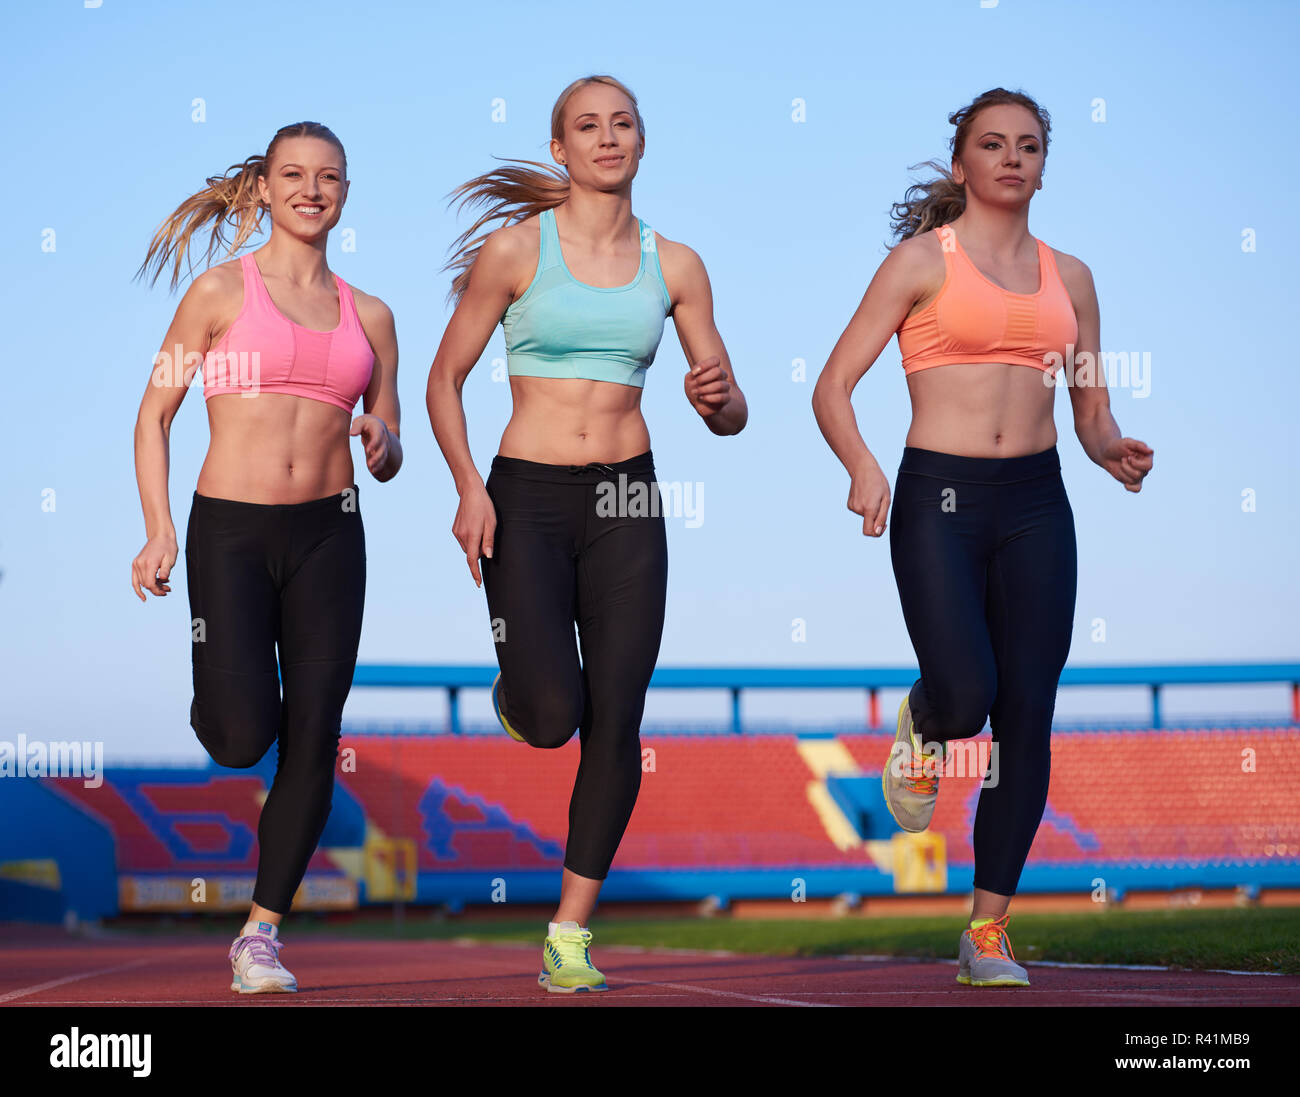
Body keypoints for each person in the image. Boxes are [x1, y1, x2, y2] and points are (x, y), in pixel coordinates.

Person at [812, 88, 1153, 987]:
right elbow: (833, 386)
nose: (1012, 158)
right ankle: (925, 721)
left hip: (1040, 501)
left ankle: (987, 931)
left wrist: (1113, 448)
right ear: (961, 164)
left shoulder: (1071, 277)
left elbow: (1090, 408)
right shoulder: (922, 261)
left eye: (1029, 146)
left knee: (1027, 718)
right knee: (967, 693)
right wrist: (862, 465)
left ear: (1044, 164)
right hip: (940, 496)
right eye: (992, 144)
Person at [427, 74, 747, 993]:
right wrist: (466, 488)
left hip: (629, 499)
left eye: (623, 123)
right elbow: (443, 379)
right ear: (559, 149)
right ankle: (520, 693)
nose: (607, 137)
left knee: (615, 718)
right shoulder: (515, 252)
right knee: (552, 711)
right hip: (523, 495)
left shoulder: (677, 265)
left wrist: (721, 400)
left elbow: (731, 413)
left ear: (642, 141)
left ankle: (570, 929)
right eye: (586, 126)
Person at [131, 122, 402, 994]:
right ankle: (224, 694)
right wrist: (159, 527)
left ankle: (261, 934)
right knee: (244, 733)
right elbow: (153, 413)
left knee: (315, 733)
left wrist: (381, 439)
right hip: (231, 532)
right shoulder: (217, 293)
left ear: (346, 193)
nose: (311, 190)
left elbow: (391, 448)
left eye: (328, 177)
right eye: (293, 175)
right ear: (264, 191)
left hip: (332, 532)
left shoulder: (374, 317)